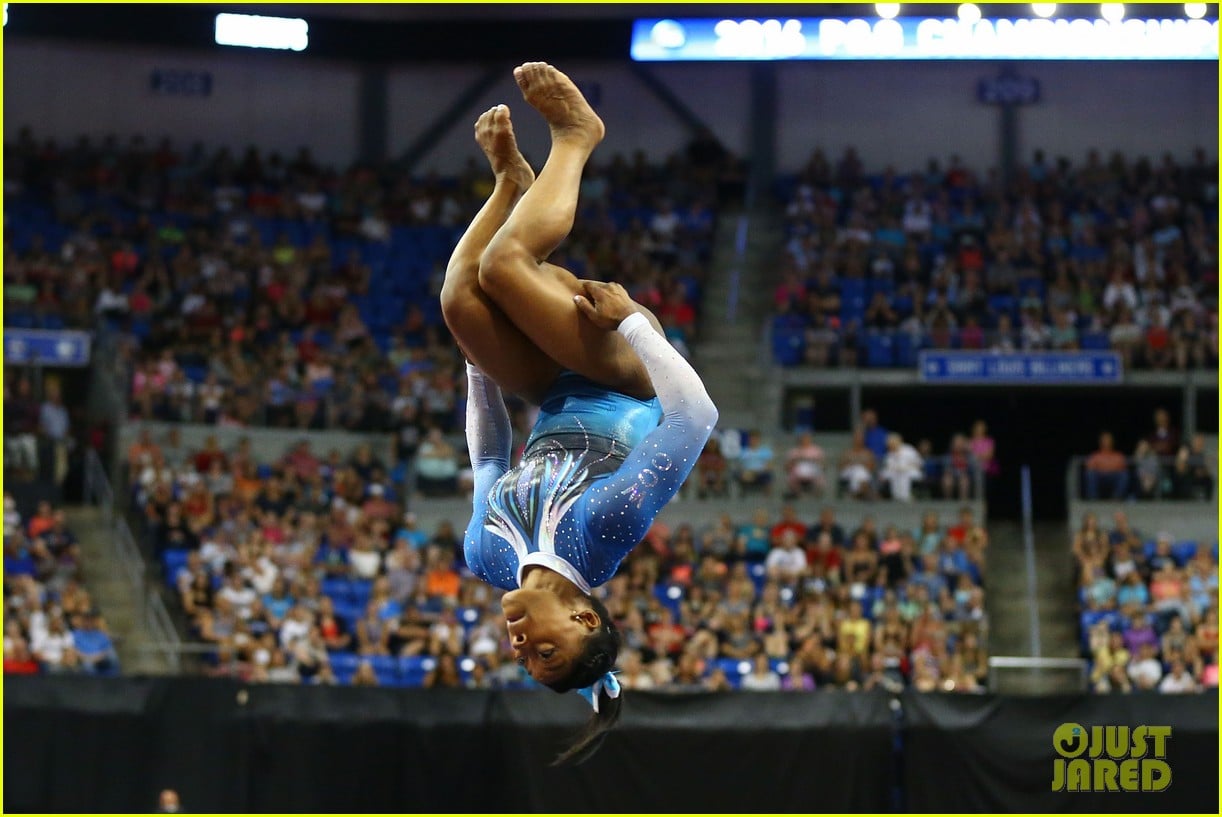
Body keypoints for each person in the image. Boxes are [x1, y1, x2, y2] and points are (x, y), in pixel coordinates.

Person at [441, 64, 717, 765]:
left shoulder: (488, 555)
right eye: (547, 648)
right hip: (632, 377)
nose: (521, 645)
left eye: (526, 658)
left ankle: (510, 186)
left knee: (461, 305)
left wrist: (479, 365)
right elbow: (694, 418)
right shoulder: (602, 531)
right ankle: (576, 136)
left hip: (557, 389)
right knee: (505, 266)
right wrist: (634, 327)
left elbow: (489, 457)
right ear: (583, 614)